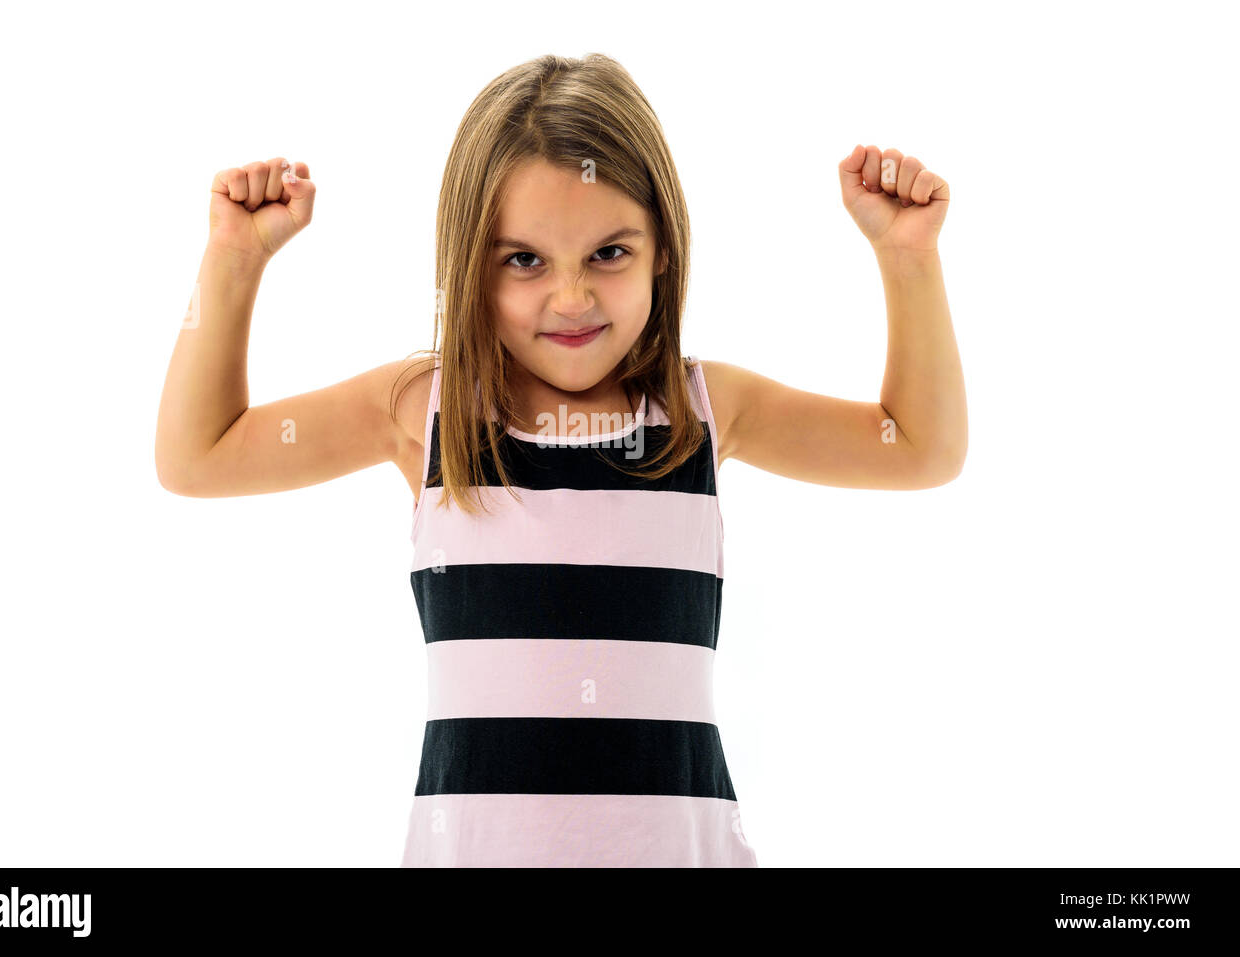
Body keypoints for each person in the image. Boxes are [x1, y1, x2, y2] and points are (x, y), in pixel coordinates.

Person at [155, 53, 966, 867]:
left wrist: (907, 259)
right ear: (472, 268)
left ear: (661, 251)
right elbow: (199, 455)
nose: (572, 299)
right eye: (525, 260)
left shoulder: (703, 412)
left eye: (609, 254)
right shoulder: (428, 412)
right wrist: (233, 258)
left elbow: (919, 446)